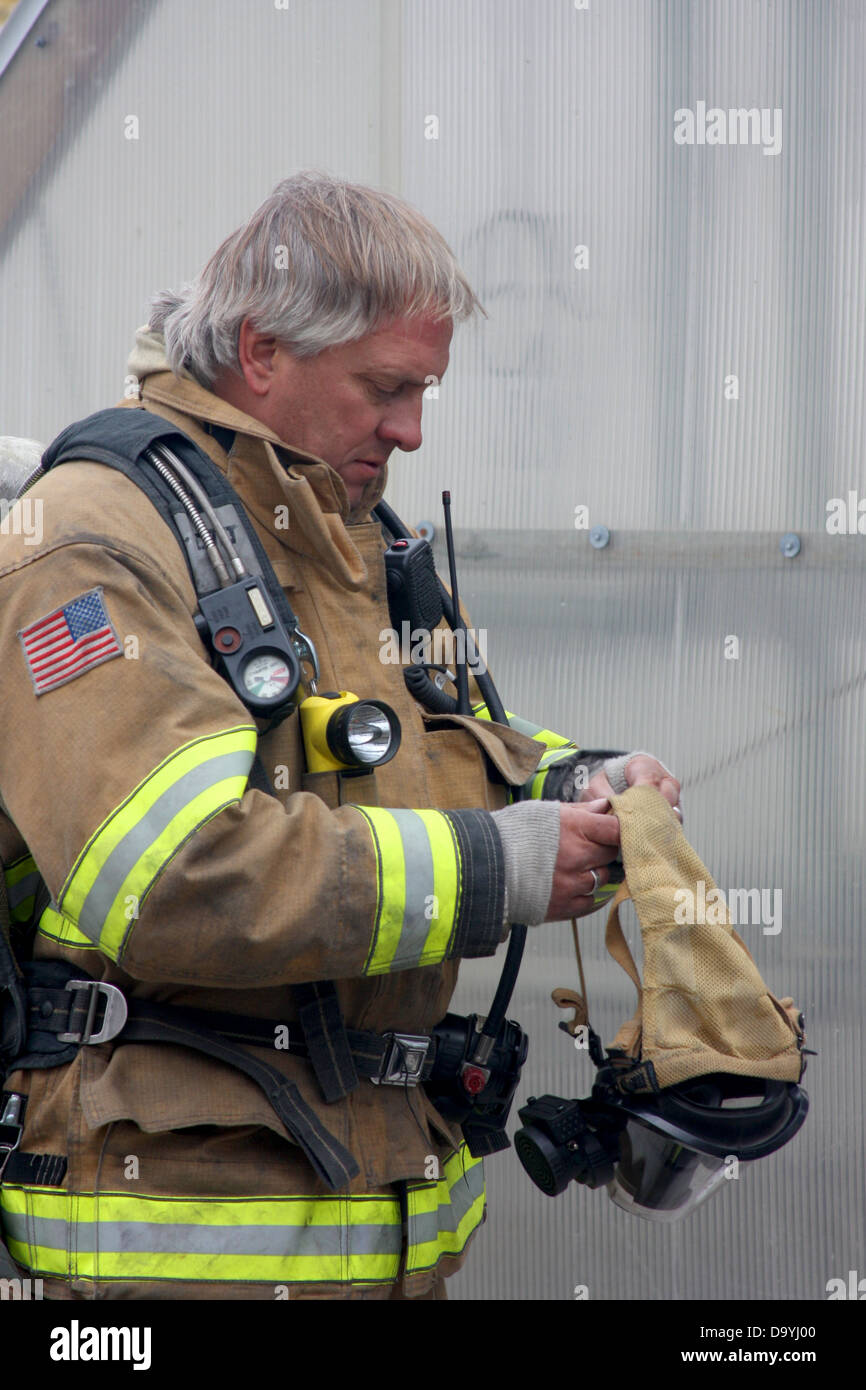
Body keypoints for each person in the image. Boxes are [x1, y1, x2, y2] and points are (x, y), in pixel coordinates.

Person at [0, 172, 679, 1300]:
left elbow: (417, 756)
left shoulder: (345, 536)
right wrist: (499, 864)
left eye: (424, 391)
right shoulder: (93, 540)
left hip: (374, 1223)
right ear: (261, 351)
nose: (410, 429)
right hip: (172, 1250)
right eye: (385, 388)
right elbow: (173, 873)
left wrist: (583, 785)